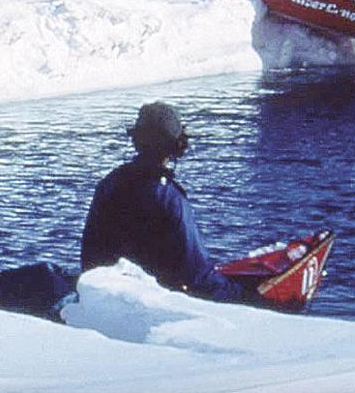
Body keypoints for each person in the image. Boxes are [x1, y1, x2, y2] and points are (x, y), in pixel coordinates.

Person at [80, 102, 255, 304]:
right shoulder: (169, 199)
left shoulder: (109, 183)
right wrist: (244, 295)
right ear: (176, 146)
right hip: (154, 303)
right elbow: (197, 274)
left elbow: (91, 258)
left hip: (102, 297)